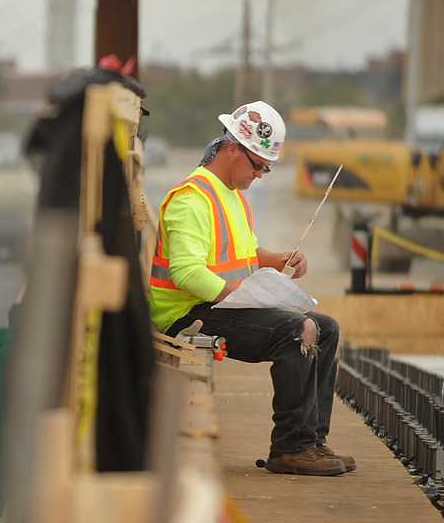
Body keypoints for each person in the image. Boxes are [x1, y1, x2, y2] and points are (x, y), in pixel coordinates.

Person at [148, 101, 353, 476]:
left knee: (328, 329)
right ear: (231, 149)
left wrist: (277, 260)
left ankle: (312, 442)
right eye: (257, 164)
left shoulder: (230, 195)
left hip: (219, 306)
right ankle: (290, 449)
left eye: (266, 168)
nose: (260, 174)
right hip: (186, 313)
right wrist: (241, 296)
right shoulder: (192, 199)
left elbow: (245, 252)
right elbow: (185, 272)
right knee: (301, 330)